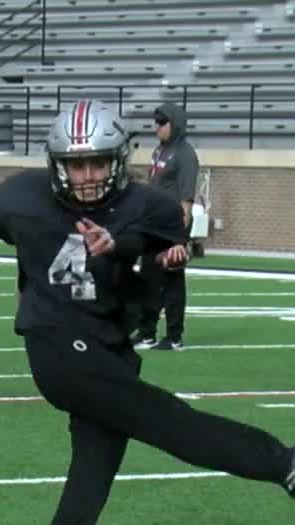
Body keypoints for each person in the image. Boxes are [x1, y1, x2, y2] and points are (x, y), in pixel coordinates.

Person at [0, 99, 295, 525]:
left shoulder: (150, 208)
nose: (88, 175)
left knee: (89, 479)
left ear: (119, 160)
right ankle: (281, 462)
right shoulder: (19, 197)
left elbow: (158, 275)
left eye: (98, 161)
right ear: (57, 166)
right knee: (168, 419)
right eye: (76, 165)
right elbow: (22, 248)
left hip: (112, 347)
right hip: (57, 348)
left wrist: (121, 251)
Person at [134, 102, 199, 351]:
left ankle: (174, 337)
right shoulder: (160, 151)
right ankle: (146, 332)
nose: (156, 128)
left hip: (171, 230)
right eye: (156, 123)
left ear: (175, 124)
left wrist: (179, 240)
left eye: (162, 123)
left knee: (172, 285)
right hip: (153, 227)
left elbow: (186, 201)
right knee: (148, 281)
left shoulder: (185, 154)